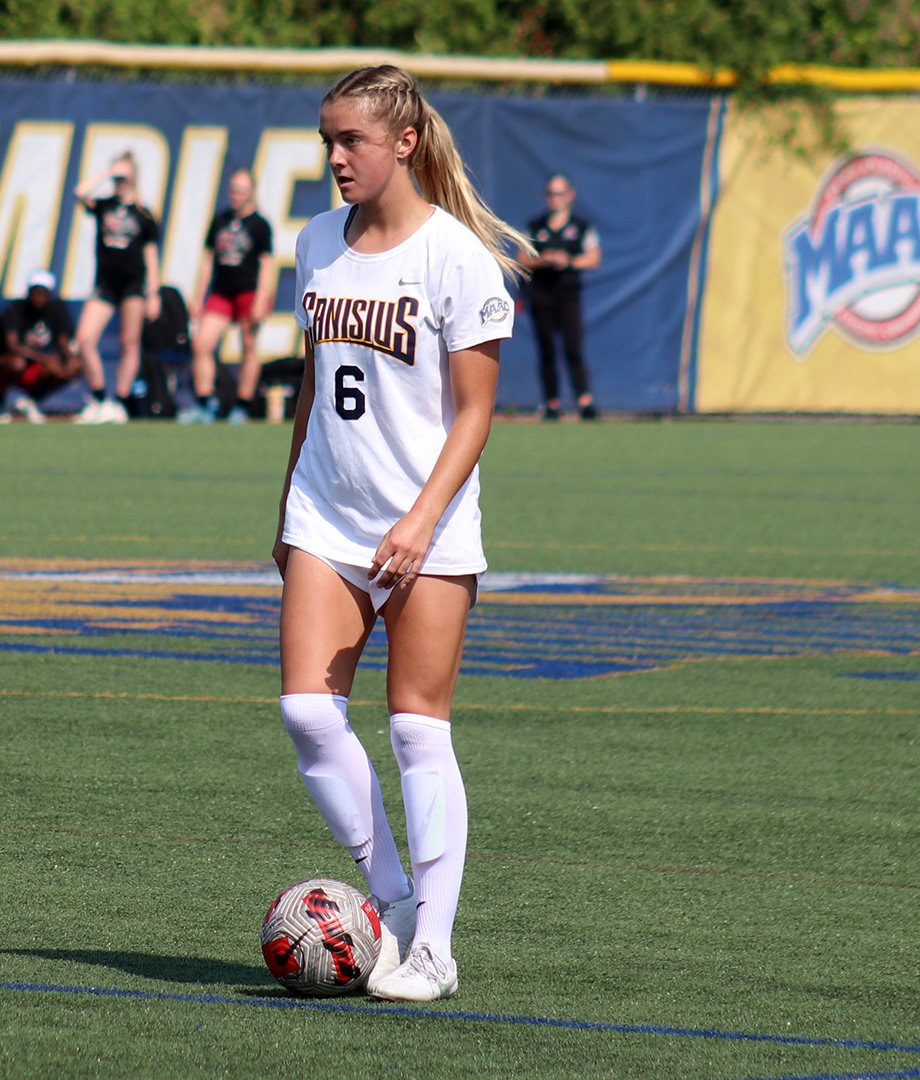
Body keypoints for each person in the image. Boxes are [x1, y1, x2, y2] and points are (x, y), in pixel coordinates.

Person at [273, 64, 530, 1003]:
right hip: (326, 516)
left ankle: (434, 949)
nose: (336, 157)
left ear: (405, 143)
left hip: (426, 524)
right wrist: (286, 508)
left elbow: (475, 412)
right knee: (307, 713)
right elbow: (314, 382)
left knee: (418, 729)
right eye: (327, 140)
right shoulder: (314, 243)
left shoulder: (457, 258)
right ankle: (387, 903)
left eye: (353, 141)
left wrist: (421, 522)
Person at [71, 152, 160, 426]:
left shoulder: (144, 214)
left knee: (129, 343)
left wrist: (153, 293)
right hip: (105, 284)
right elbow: (79, 193)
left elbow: (151, 255)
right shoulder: (104, 205)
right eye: (117, 177)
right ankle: (99, 398)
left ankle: (120, 403)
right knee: (85, 338)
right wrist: (107, 174)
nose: (120, 182)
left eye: (125, 176)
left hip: (133, 284)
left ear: (134, 177)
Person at [181, 169, 276, 424]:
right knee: (201, 344)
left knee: (249, 348)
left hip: (248, 292)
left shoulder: (260, 225)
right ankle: (205, 403)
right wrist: (199, 298)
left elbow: (267, 265)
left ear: (252, 192)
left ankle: (242, 406)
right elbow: (208, 262)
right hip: (221, 292)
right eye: (233, 189)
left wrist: (261, 299)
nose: (236, 195)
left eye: (242, 190)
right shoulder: (220, 221)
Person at [519, 173, 600, 420]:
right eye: (551, 193)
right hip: (541, 295)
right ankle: (551, 402)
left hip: (568, 295)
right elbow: (521, 257)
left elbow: (594, 258)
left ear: (570, 196)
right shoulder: (535, 226)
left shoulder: (581, 227)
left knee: (573, 348)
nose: (555, 198)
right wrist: (542, 260)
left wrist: (569, 261)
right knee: (547, 351)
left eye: (560, 193)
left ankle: (584, 400)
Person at [0, 270, 79, 424]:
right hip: (2, 365)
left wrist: (69, 358)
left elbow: (63, 340)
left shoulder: (57, 309)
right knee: (17, 363)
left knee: (74, 365)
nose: (39, 297)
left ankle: (31, 401)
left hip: (34, 366)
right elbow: (12, 345)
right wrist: (44, 359)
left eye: (43, 292)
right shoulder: (16, 308)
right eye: (35, 292)